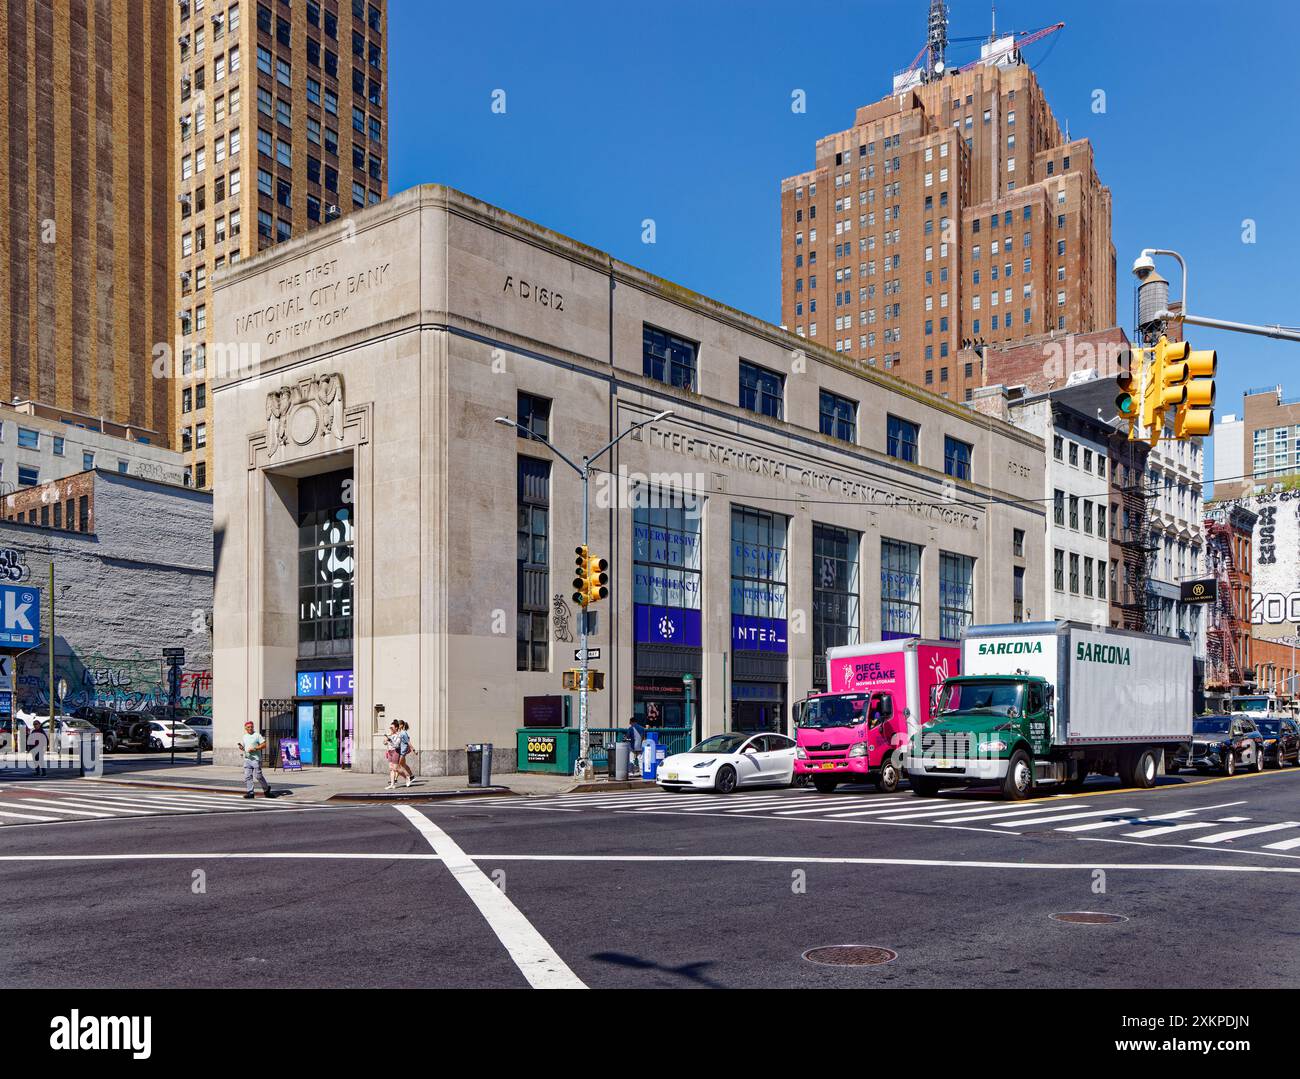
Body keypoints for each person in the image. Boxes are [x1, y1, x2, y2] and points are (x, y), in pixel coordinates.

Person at [239, 721, 273, 799]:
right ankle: (250, 792)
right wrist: (241, 747)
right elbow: (243, 746)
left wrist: (255, 748)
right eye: (248, 727)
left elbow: (264, 744)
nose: (250, 728)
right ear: (245, 728)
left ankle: (266, 789)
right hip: (247, 759)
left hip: (256, 759)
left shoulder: (257, 735)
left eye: (251, 727)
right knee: (248, 776)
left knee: (258, 776)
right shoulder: (245, 736)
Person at [383, 721, 403, 790]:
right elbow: (385, 743)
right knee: (391, 768)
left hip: (395, 752)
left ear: (396, 728)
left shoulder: (399, 735)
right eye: (390, 727)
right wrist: (385, 740)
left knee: (394, 769)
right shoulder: (389, 734)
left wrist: (390, 740)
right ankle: (392, 784)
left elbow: (396, 745)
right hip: (390, 752)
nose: (390, 729)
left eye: (392, 727)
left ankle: (407, 776)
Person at [396, 720, 415, 787]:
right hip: (401, 751)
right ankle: (411, 776)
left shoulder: (404, 733)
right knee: (403, 765)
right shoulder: (400, 732)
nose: (398, 726)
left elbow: (408, 742)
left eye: (399, 724)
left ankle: (408, 777)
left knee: (399, 766)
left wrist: (413, 749)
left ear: (401, 725)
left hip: (402, 752)